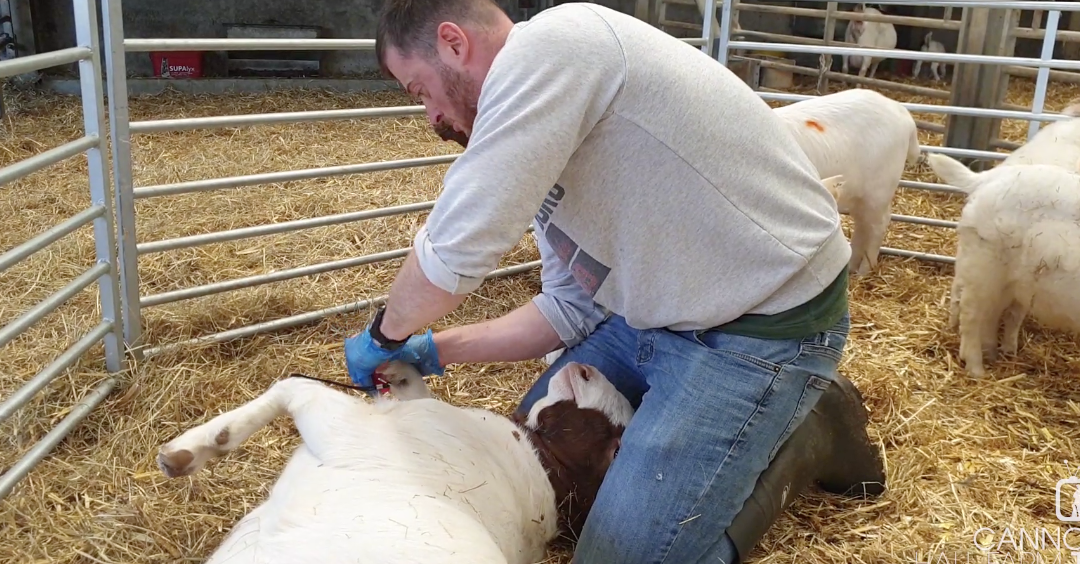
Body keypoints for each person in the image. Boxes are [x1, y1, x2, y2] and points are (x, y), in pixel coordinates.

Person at [344, 0, 887, 562]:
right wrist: (433, 349)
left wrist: (384, 335)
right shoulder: (549, 136)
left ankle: (806, 436)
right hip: (654, 313)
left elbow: (457, 246)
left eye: (421, 91)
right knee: (540, 464)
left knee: (616, 556)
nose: (431, 117)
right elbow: (568, 306)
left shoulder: (554, 47)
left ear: (454, 44)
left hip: (758, 327)